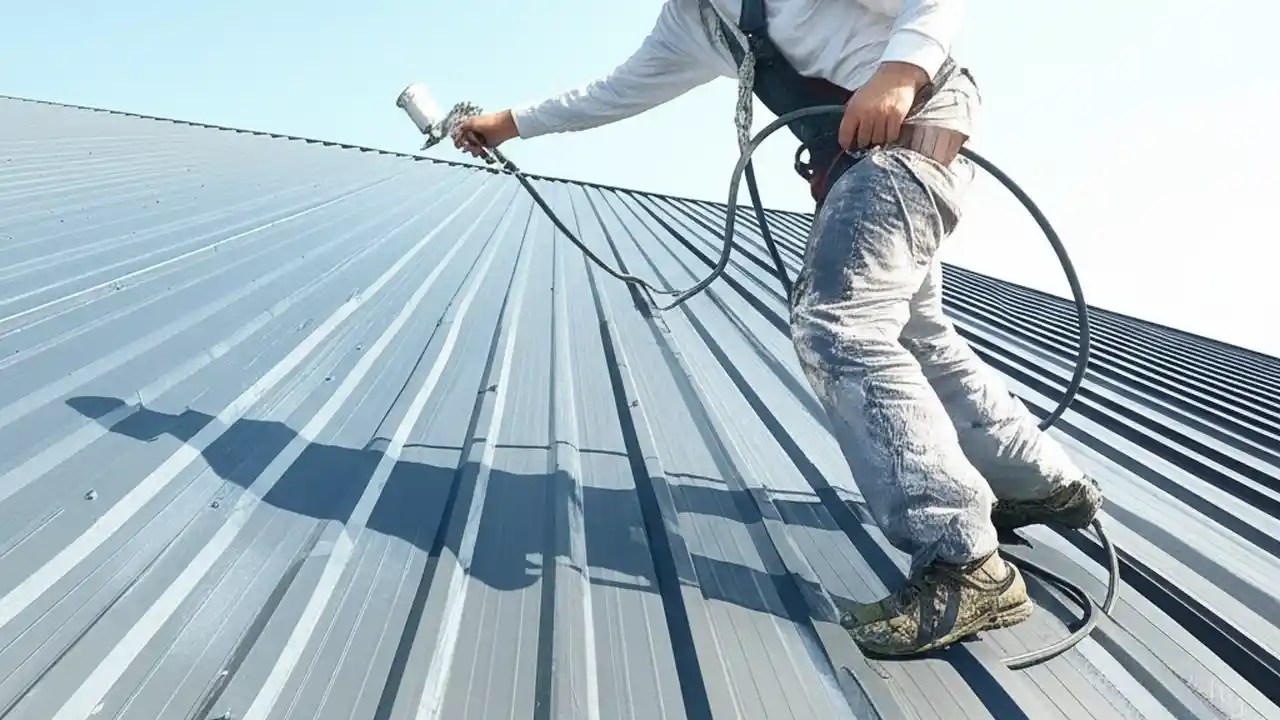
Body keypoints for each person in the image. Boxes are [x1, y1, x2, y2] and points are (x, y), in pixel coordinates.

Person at [454, 0, 1102, 658]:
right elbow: (617, 91)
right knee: (913, 330)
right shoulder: (694, 18)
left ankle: (965, 562)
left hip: (916, 129)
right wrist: (508, 125)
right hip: (865, 161)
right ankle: (1041, 485)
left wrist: (899, 73)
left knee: (839, 324)